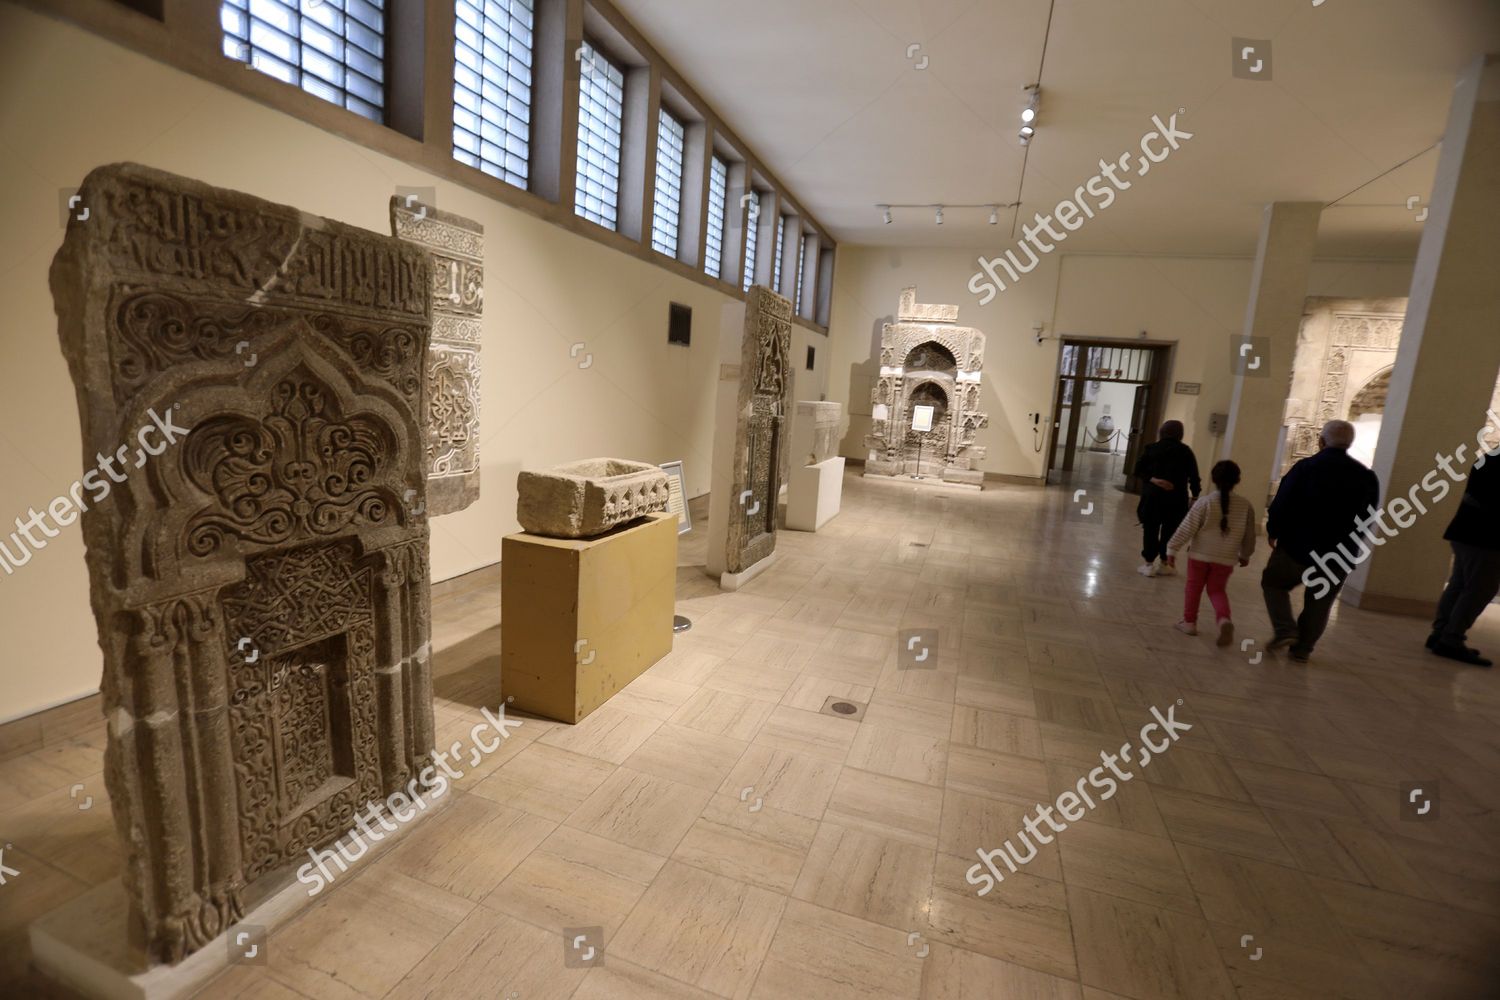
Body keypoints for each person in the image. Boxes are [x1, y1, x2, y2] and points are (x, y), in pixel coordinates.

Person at [1262, 420, 1380, 663]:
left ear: (1321, 441)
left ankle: (1285, 630)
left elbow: (1282, 502)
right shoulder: (1366, 476)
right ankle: (1302, 650)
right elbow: (1367, 517)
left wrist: (1273, 530)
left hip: (1297, 546)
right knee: (1320, 601)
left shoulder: (1305, 468)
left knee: (1274, 583)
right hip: (1339, 553)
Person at [1166, 460, 1257, 645]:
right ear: (1237, 480)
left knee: (1193, 587)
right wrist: (1246, 554)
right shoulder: (1245, 505)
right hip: (1226, 558)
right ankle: (1224, 619)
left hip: (1200, 555)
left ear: (1214, 479)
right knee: (1217, 590)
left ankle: (1189, 622)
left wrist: (1172, 548)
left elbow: (1187, 528)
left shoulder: (1204, 502)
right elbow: (1249, 534)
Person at [1426, 453, 1500, 667]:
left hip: (1466, 530)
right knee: (1480, 588)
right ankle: (1451, 639)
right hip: (1485, 537)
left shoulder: (1489, 458)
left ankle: (1440, 633)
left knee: (1460, 584)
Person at [1133, 420, 1201, 577]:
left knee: (1150, 528)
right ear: (1180, 434)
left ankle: (1149, 564)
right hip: (1176, 498)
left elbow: (1138, 469)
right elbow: (1194, 477)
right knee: (1170, 530)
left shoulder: (1152, 448)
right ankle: (1164, 563)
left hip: (1153, 496)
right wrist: (1195, 495)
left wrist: (1154, 480)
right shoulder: (1186, 452)